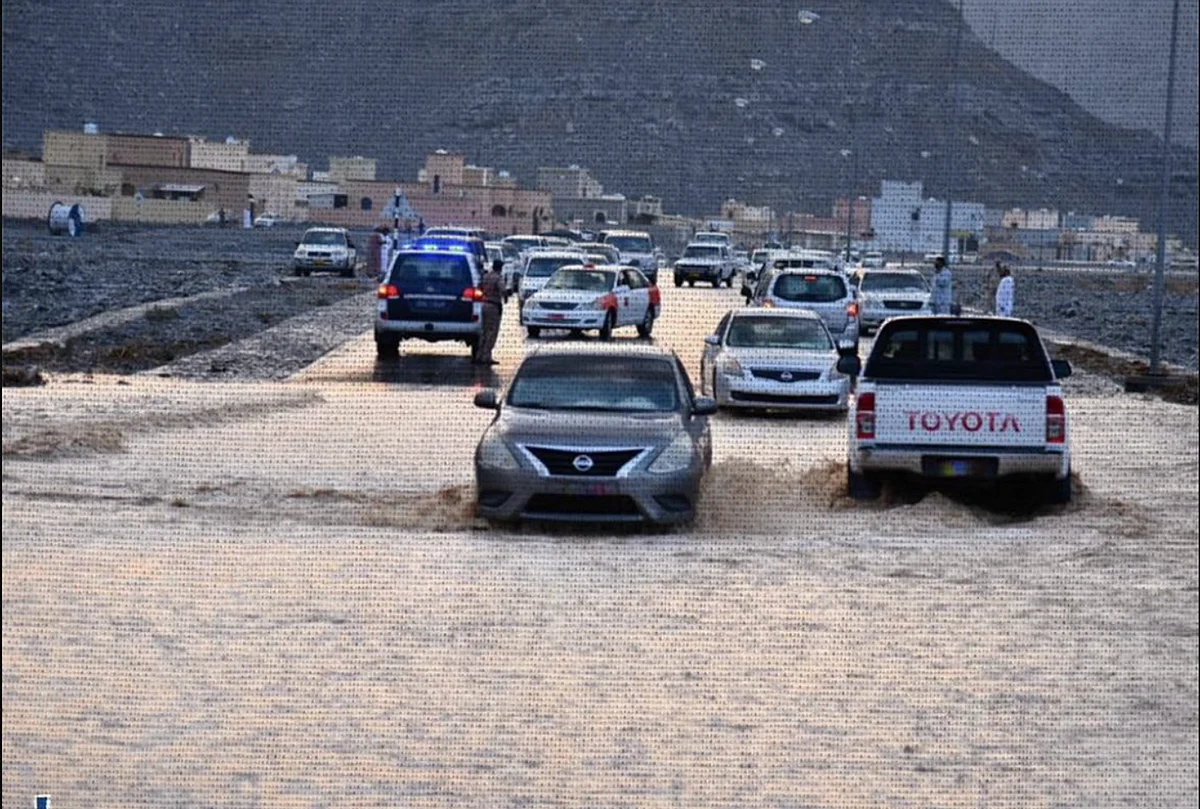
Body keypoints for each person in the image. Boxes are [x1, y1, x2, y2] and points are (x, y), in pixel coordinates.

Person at [474, 259, 504, 365]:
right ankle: (487, 357)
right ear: (500, 268)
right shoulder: (498, 277)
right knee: (492, 332)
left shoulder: (486, 276)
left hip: (484, 305)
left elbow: (478, 288)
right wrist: (506, 295)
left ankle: (479, 355)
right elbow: (502, 289)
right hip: (493, 306)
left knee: (484, 331)